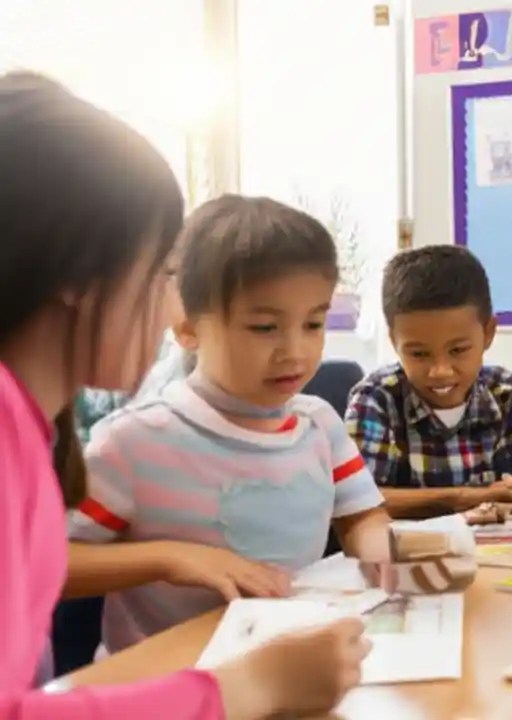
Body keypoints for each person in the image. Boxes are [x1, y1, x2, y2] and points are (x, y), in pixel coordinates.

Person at [0, 70, 365, 719]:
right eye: (164, 269)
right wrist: (246, 688)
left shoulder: (31, 430)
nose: (174, 303)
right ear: (80, 273)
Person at [64, 195, 422, 656]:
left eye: (313, 323)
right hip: (169, 687)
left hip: (289, 667)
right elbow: (48, 569)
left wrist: (381, 550)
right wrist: (174, 558)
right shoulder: (135, 443)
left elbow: (362, 518)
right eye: (264, 328)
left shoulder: (319, 426)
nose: (294, 350)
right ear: (187, 327)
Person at [346, 245, 512, 519]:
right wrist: (468, 497)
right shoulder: (375, 399)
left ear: (488, 333)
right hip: (405, 557)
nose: (440, 371)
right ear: (394, 341)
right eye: (419, 354)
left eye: (458, 350)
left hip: (498, 554)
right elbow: (355, 503)